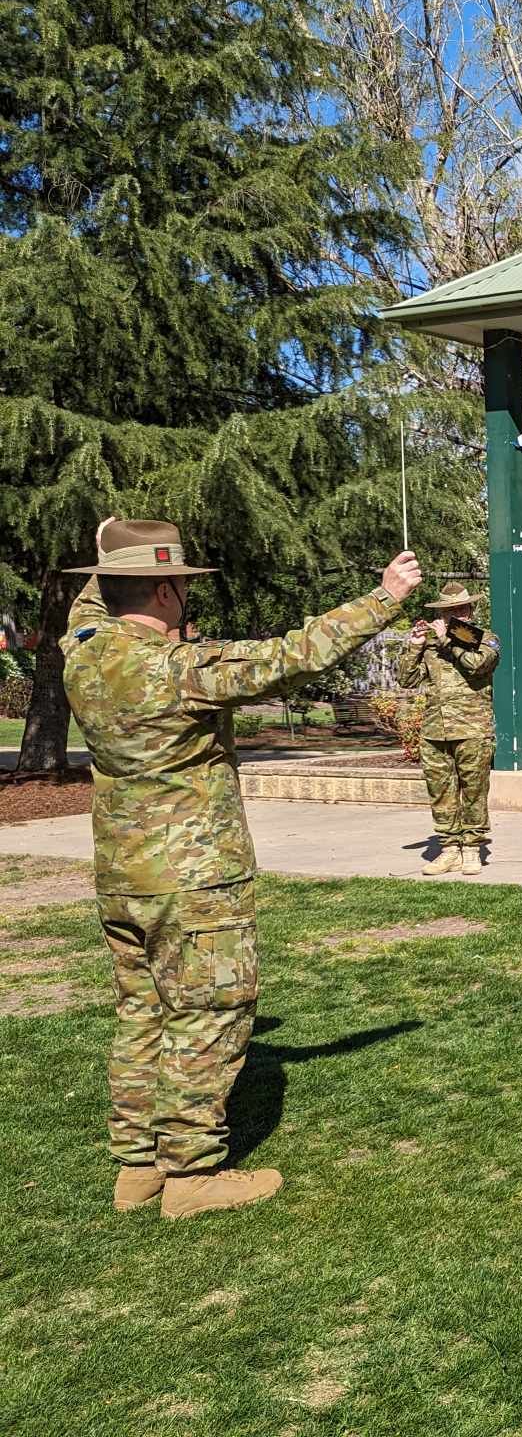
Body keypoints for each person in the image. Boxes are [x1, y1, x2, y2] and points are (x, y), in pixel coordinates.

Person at [64, 518, 421, 1219]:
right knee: (211, 1015)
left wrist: (110, 542)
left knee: (142, 1013)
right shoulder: (179, 669)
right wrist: (385, 595)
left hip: (123, 874)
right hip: (196, 879)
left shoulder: (84, 652)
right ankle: (192, 1174)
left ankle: (136, 1166)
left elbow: (89, 602)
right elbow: (297, 655)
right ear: (167, 587)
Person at [397, 582, 500, 876]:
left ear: (471, 610)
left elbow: (477, 665)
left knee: (474, 791)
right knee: (440, 792)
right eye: (452, 610)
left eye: (463, 609)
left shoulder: (485, 639)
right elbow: (406, 679)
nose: (459, 614)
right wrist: (414, 646)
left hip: (472, 728)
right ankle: (449, 849)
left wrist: (447, 640)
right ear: (442, 613)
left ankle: (471, 849)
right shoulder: (431, 643)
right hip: (434, 729)